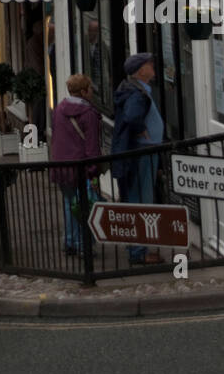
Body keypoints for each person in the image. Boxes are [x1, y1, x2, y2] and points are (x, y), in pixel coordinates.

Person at [111, 53, 164, 264]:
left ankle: (136, 246)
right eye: (150, 65)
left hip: (141, 152)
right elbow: (133, 117)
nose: (153, 67)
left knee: (136, 198)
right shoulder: (137, 93)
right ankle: (138, 251)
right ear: (141, 70)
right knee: (140, 199)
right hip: (142, 153)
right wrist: (143, 131)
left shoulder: (133, 89)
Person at [50, 74, 102, 256]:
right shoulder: (88, 114)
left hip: (62, 166)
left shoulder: (58, 110)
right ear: (83, 91)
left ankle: (70, 241)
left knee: (69, 203)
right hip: (81, 167)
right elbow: (92, 146)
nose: (92, 93)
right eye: (90, 89)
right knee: (83, 205)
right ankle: (82, 244)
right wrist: (93, 172)